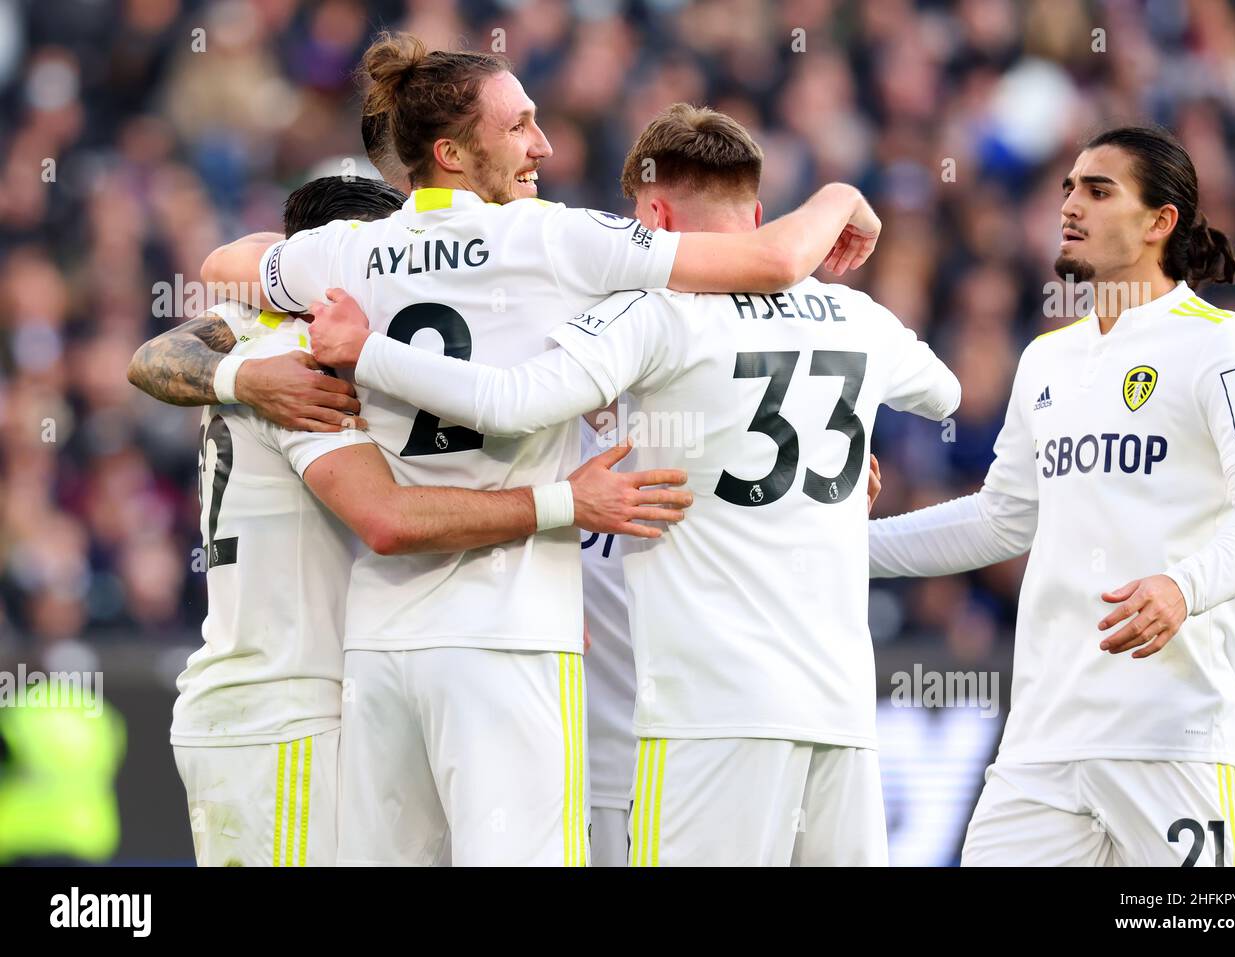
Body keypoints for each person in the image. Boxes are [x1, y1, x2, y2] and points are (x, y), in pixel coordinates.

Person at [198, 33, 881, 866]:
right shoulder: (553, 239)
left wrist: (275, 317)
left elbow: (221, 264)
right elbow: (774, 259)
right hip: (509, 630)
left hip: (380, 648)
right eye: (520, 126)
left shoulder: (345, 251)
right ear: (451, 151)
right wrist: (844, 191)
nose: (544, 145)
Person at [307, 103, 957, 866]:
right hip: (842, 712)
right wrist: (836, 444)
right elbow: (943, 393)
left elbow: (507, 401)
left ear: (652, 213)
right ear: (755, 210)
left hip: (705, 716)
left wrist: (369, 351)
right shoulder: (856, 314)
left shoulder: (652, 316)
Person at [128, 176, 690, 866]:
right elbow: (387, 517)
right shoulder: (302, 365)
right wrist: (563, 505)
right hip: (287, 714)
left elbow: (155, 353)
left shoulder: (254, 340)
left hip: (270, 701)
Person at [867, 126, 1235, 866]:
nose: (1071, 203)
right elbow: (1001, 517)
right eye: (1069, 187)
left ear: (1161, 221)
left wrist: (1183, 586)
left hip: (1171, 740)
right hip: (1041, 747)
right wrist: (847, 549)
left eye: (1099, 191)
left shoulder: (1223, 343)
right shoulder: (1046, 358)